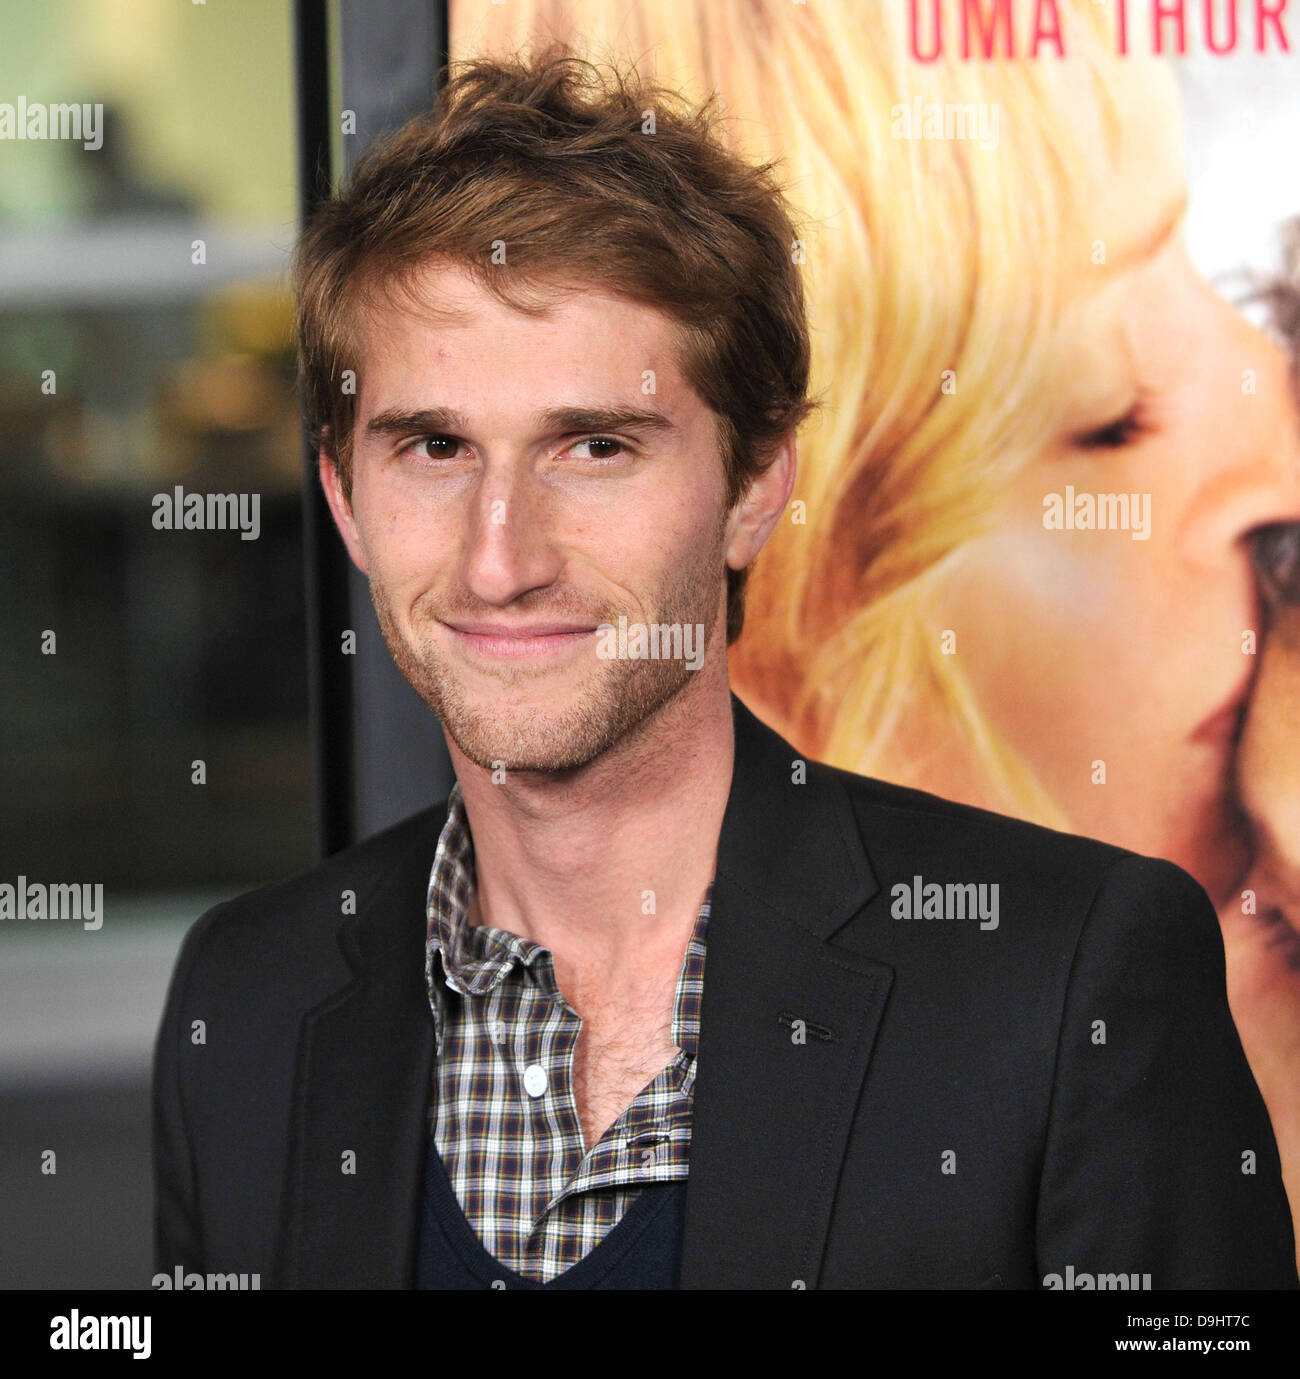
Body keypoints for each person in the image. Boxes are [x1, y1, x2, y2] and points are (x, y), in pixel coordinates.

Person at [152, 48, 1297, 1289]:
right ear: (344, 496)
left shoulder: (1069, 978)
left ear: (754, 488)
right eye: (433, 447)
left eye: (594, 445)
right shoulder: (250, 997)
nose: (500, 559)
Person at [452, 0, 1300, 1258]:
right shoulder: (278, 995)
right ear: (766, 521)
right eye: (1108, 413)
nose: (1279, 458)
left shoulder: (1114, 971)